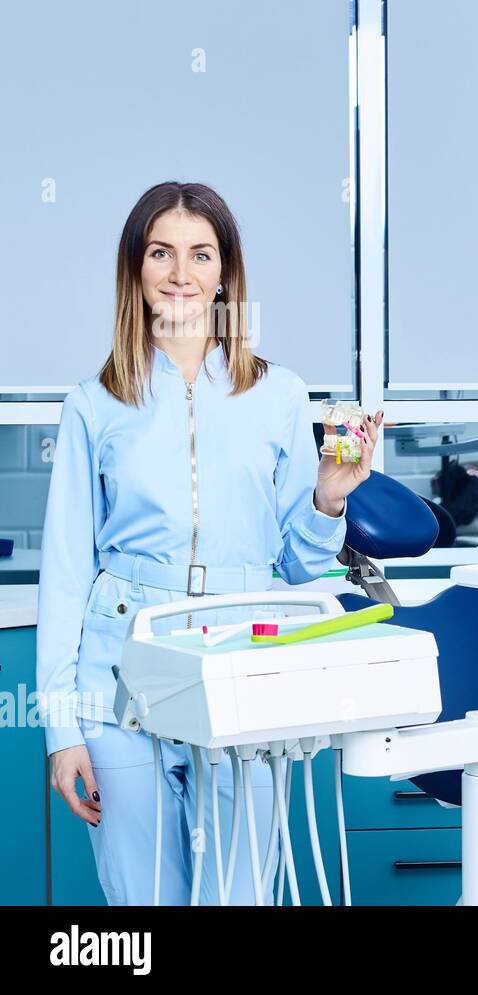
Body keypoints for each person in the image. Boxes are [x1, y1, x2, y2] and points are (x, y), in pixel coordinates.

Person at [37, 181, 380, 904]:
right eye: (161, 253)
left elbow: (298, 563)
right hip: (123, 674)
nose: (181, 274)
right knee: (142, 900)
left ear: (226, 273)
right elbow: (65, 574)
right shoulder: (94, 402)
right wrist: (61, 730)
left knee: (240, 893)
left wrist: (328, 498)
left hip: (244, 663)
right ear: (136, 268)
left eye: (201, 254)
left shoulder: (279, 394)